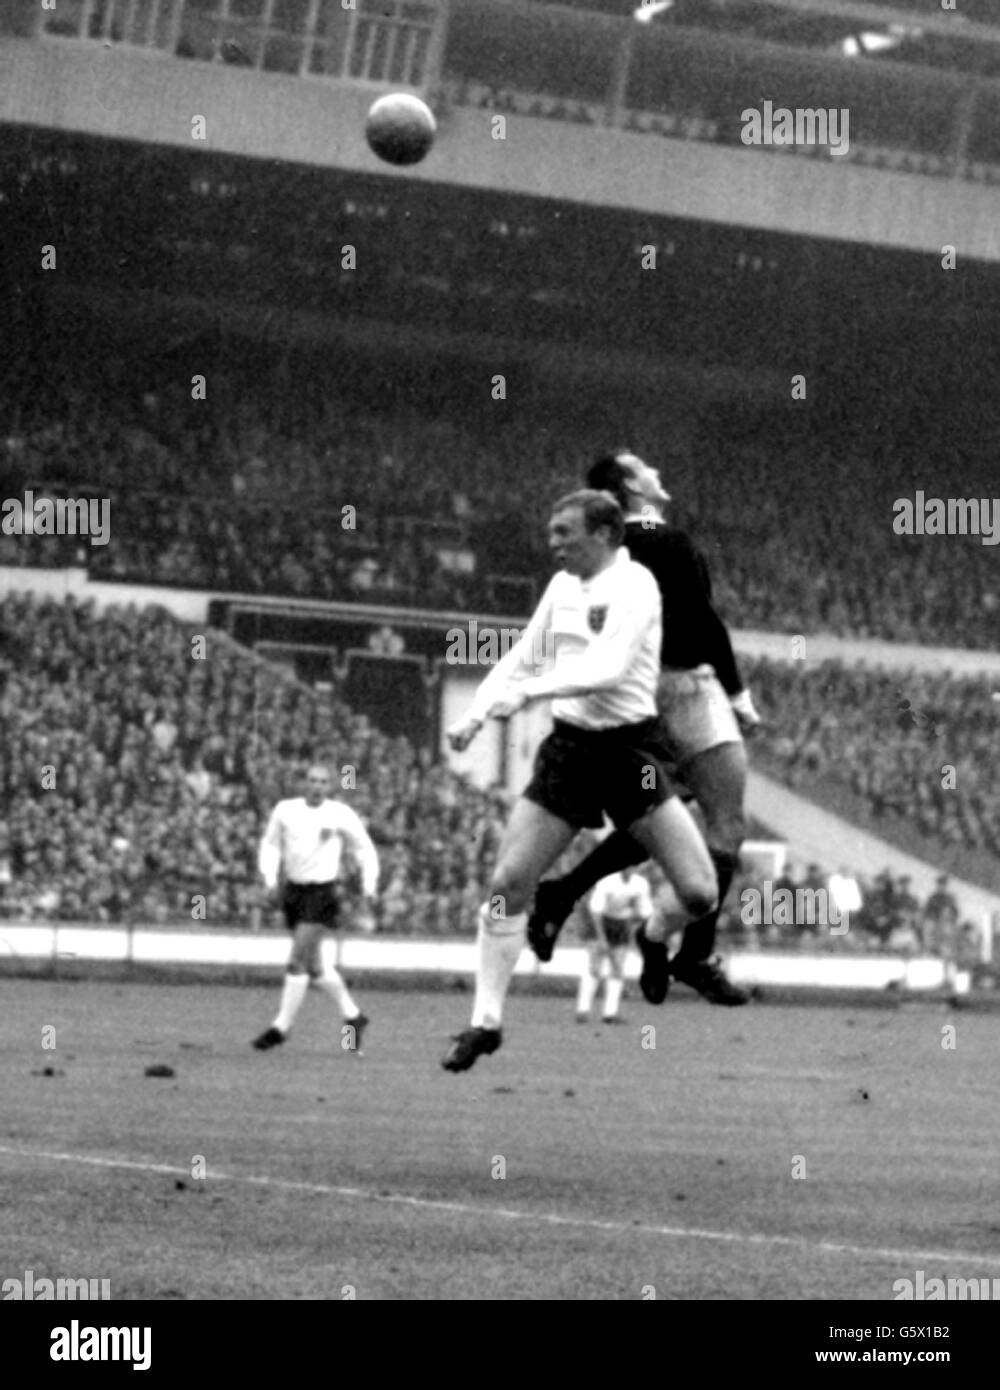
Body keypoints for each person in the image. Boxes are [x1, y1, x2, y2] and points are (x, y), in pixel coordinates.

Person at [441, 489, 717, 1072]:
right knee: (506, 880)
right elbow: (524, 655)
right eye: (551, 531)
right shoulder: (563, 587)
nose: (553, 543)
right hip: (571, 751)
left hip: (630, 753)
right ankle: (484, 1021)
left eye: (564, 532)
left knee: (697, 893)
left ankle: (653, 933)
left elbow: (609, 668)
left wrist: (532, 692)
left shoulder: (637, 585)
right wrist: (476, 712)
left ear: (605, 534)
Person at [526, 449, 759, 1006]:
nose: (657, 470)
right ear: (632, 485)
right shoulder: (668, 541)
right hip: (684, 687)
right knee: (725, 821)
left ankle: (566, 894)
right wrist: (739, 695)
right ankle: (692, 956)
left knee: (656, 818)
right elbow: (705, 622)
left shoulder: (599, 556)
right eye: (645, 466)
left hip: (629, 699)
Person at [252, 763, 378, 1054]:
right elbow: (270, 845)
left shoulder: (339, 814)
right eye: (312, 780)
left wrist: (369, 885)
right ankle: (354, 1016)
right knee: (315, 967)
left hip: (322, 893)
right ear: (303, 783)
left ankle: (280, 1028)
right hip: (293, 891)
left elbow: (364, 848)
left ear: (330, 785)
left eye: (323, 782)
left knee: (296, 961)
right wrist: (270, 878)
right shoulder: (285, 810)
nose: (317, 786)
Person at [577, 865, 653, 1024]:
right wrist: (602, 939)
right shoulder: (607, 882)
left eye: (634, 867)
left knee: (618, 968)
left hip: (621, 924)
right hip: (599, 921)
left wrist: (633, 926)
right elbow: (595, 911)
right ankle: (582, 1010)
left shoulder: (641, 884)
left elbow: (645, 912)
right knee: (595, 967)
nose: (630, 870)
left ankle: (610, 1014)